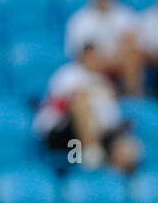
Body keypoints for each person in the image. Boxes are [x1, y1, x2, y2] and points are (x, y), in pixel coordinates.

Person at [34, 41, 141, 173]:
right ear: (83, 56)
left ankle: (114, 184)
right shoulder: (68, 74)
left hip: (99, 131)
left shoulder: (103, 82)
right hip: (62, 130)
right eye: (92, 56)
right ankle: (91, 152)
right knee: (80, 102)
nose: (96, 60)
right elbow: (61, 105)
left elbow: (111, 117)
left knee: (126, 148)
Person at [64, 0, 139, 93]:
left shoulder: (125, 15)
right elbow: (80, 57)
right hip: (93, 69)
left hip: (120, 66)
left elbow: (135, 47)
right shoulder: (79, 21)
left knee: (132, 54)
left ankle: (133, 96)